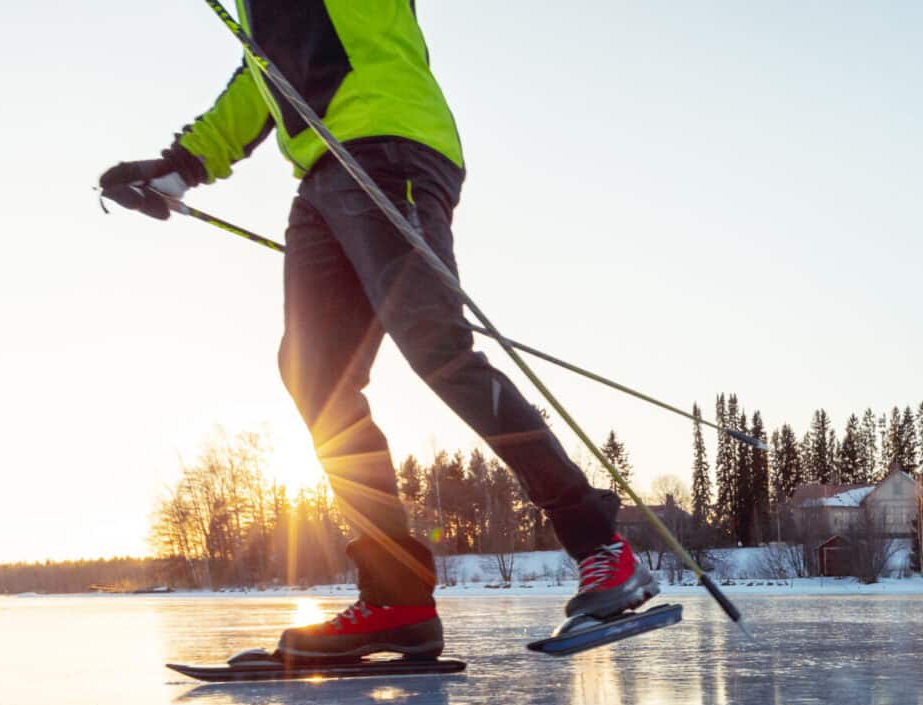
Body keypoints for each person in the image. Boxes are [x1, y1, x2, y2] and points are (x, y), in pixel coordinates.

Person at [98, 3, 653, 660]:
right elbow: (263, 72)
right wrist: (184, 164)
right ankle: (397, 599)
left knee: (438, 351)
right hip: (320, 176)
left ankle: (600, 546)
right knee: (315, 377)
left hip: (388, 148)